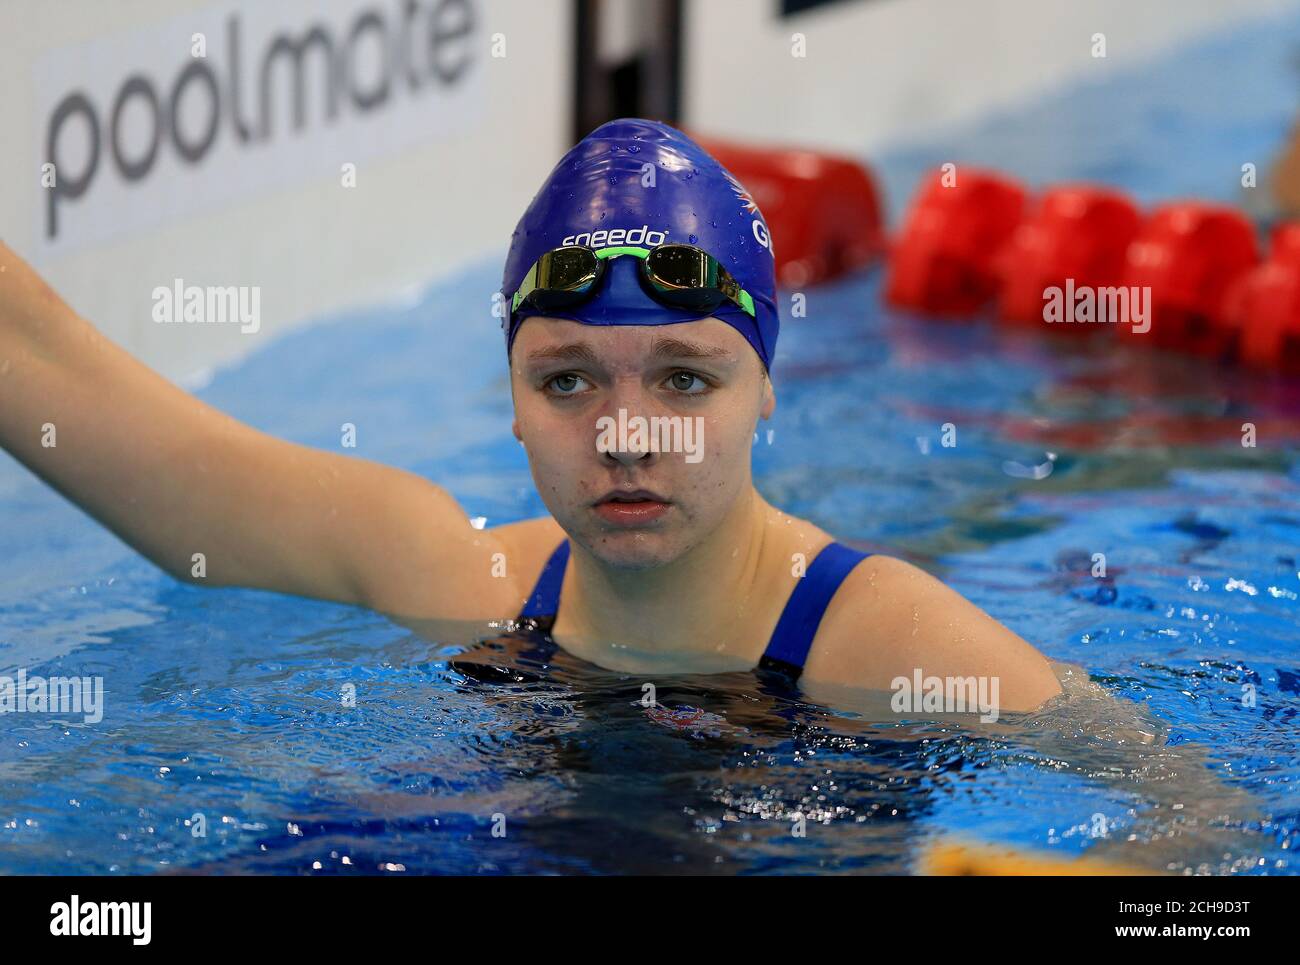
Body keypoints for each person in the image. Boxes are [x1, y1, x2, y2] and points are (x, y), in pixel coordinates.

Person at [0, 117, 1062, 714]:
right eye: (567, 380)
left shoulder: (890, 641)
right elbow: (88, 400)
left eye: (684, 378)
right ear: (508, 398)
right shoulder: (466, 581)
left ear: (767, 389)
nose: (625, 434)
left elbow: (1187, 817)